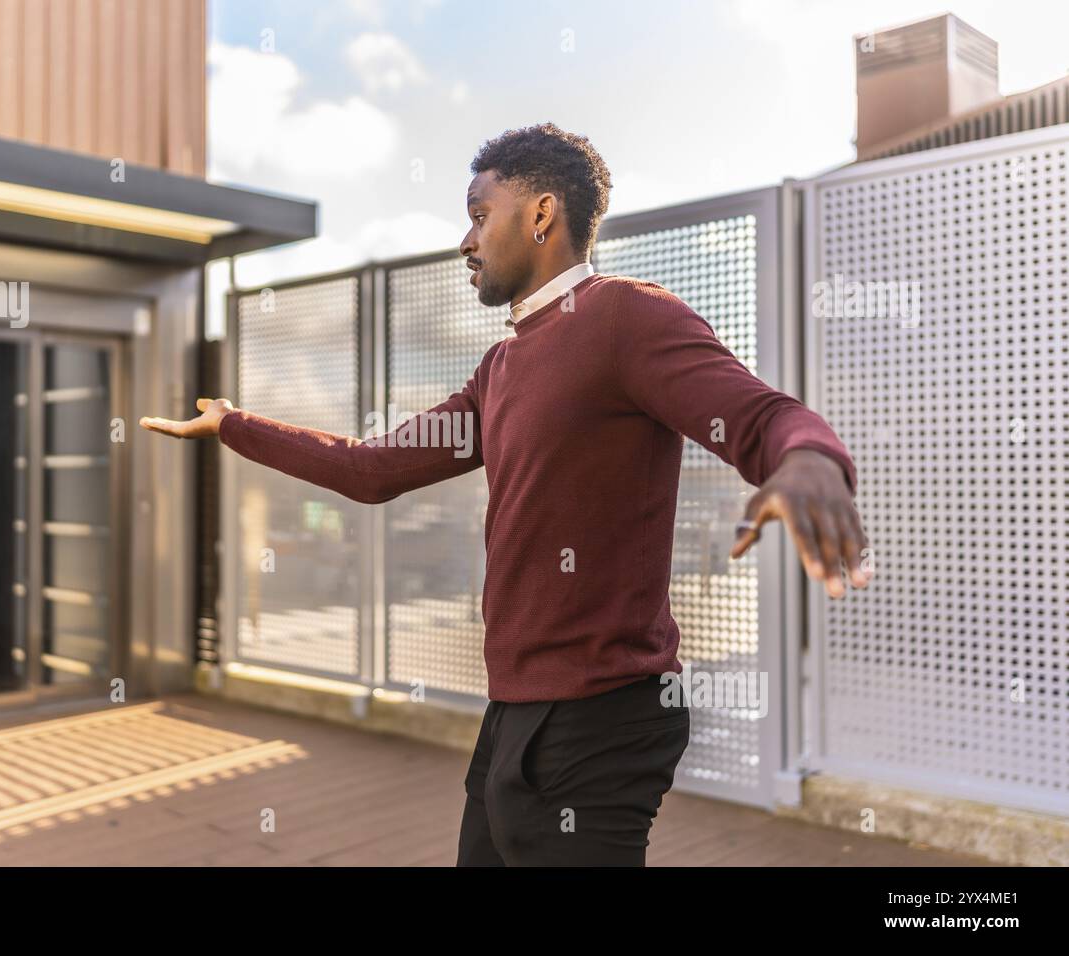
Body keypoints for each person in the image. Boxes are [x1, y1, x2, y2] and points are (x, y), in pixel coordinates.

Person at [140, 122, 872, 866]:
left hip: (604, 719)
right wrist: (237, 425)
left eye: (479, 213)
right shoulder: (499, 368)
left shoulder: (628, 316)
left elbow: (764, 415)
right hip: (513, 716)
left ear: (542, 214)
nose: (466, 240)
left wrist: (809, 461)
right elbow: (372, 470)